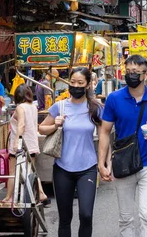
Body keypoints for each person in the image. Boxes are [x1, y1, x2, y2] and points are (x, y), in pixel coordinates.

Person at [98, 55, 147, 237]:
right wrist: (102, 162)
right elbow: (104, 131)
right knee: (125, 217)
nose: (131, 75)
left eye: (136, 72)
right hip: (124, 163)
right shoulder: (114, 99)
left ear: (145, 74)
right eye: (128, 71)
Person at [39, 67, 103, 237]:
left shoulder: (95, 107)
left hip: (88, 167)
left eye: (80, 83)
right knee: (65, 218)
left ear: (88, 84)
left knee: (86, 215)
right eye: (72, 82)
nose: (75, 86)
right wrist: (55, 125)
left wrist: (105, 163)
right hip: (62, 169)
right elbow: (42, 128)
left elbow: (105, 136)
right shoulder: (59, 106)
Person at [1, 85, 49, 206]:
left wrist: (16, 142)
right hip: (32, 143)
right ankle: (42, 194)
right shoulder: (33, 107)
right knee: (31, 170)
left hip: (21, 144)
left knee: (12, 171)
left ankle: (8, 197)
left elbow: (21, 125)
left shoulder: (20, 107)